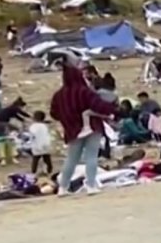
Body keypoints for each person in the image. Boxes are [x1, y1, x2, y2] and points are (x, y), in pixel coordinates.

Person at [50, 63, 117, 196]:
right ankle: (91, 185)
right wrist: (112, 110)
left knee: (71, 159)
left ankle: (63, 188)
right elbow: (98, 106)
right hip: (91, 127)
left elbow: (54, 113)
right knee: (91, 157)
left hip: (72, 130)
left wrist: (67, 118)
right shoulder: (85, 91)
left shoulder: (58, 95)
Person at [0, 98, 29, 165]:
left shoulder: (10, 108)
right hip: (2, 122)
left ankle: (5, 158)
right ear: (19, 105)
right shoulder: (14, 108)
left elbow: (16, 116)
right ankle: (9, 157)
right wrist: (28, 117)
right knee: (7, 137)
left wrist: (23, 120)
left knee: (6, 135)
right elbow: (20, 114)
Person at [28, 111, 54, 176]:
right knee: (47, 159)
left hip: (36, 146)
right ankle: (49, 171)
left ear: (34, 118)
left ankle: (33, 172)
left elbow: (32, 136)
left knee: (35, 160)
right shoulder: (44, 126)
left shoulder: (33, 126)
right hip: (45, 145)